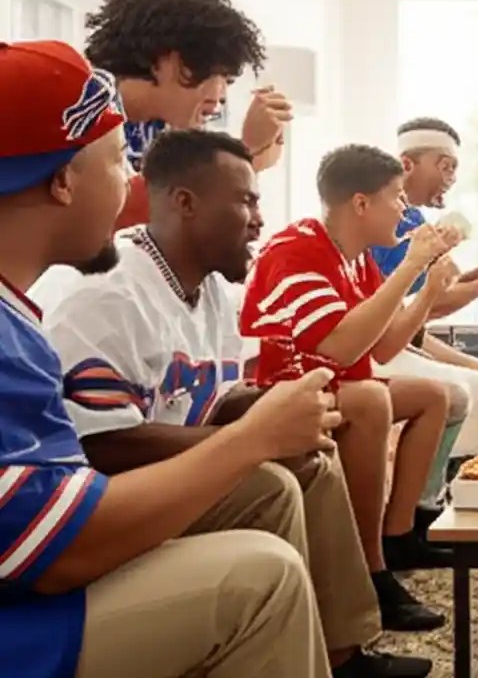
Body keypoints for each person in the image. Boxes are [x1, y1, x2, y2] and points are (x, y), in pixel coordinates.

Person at [0, 39, 335, 678]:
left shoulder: (16, 317)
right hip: (21, 628)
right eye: (118, 161)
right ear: (62, 181)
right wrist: (252, 439)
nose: (133, 183)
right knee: (260, 578)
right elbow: (57, 554)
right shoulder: (28, 326)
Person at [44, 130, 450, 655]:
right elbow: (101, 444)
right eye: (245, 201)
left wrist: (281, 411)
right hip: (109, 493)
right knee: (271, 480)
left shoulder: (211, 288)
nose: (259, 219)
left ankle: (345, 645)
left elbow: (215, 397)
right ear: (185, 203)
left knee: (313, 461)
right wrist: (256, 439)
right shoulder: (110, 293)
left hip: (170, 460)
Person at [239, 144, 464, 579]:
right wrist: (412, 265)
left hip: (331, 386)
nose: (404, 210)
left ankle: (399, 537)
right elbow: (338, 349)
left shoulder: (359, 260)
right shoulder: (296, 249)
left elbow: (383, 348)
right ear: (361, 204)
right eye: (396, 197)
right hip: (281, 390)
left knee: (432, 396)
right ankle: (370, 571)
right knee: (371, 400)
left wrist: (429, 290)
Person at [28, 0, 293, 312]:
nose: (221, 97)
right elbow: (117, 221)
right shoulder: (82, 109)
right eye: (221, 76)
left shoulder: (157, 129)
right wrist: (246, 157)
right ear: (171, 60)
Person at [371, 117, 478, 463]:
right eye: (445, 166)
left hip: (406, 332)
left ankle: (436, 472)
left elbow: (435, 293)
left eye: (455, 169)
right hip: (379, 340)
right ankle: (432, 477)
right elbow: (429, 304)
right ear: (407, 165)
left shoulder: (415, 220)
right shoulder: (387, 220)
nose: (451, 178)